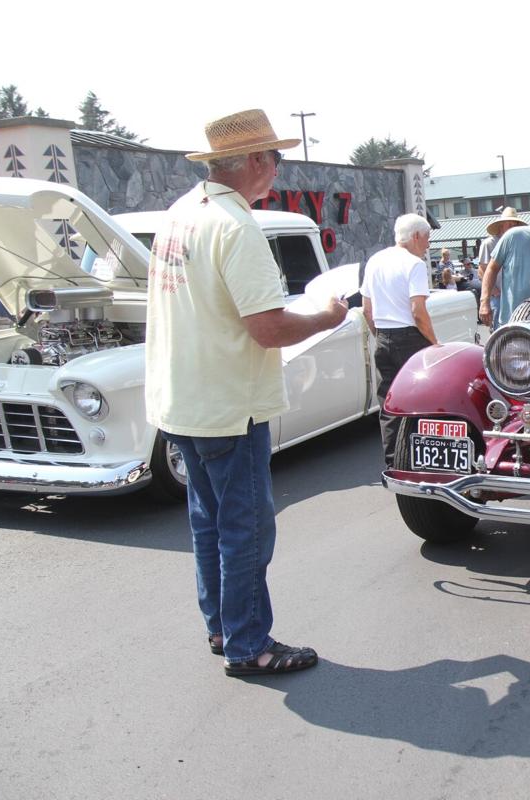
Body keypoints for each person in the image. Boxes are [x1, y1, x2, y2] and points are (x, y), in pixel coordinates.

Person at [145, 109, 347, 678]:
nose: (278, 168)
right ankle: (249, 645)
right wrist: (326, 317)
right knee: (246, 530)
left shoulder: (182, 214)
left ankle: (222, 626)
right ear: (255, 161)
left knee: (208, 522)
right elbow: (269, 328)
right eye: (276, 156)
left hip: (182, 400)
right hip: (228, 405)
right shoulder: (236, 227)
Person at [360, 213, 439, 469]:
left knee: (390, 402)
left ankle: (394, 461)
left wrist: (381, 335)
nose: (428, 245)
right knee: (422, 400)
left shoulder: (375, 260)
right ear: (415, 236)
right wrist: (434, 343)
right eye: (427, 238)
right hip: (410, 338)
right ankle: (419, 459)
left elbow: (366, 309)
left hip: (383, 335)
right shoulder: (414, 264)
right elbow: (418, 311)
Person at [477, 208, 525, 323]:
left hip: (514, 296)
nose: (513, 228)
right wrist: (493, 291)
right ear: (501, 226)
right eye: (510, 225)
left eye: (515, 225)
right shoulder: (489, 243)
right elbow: (482, 269)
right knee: (499, 330)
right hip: (498, 296)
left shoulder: (517, 243)